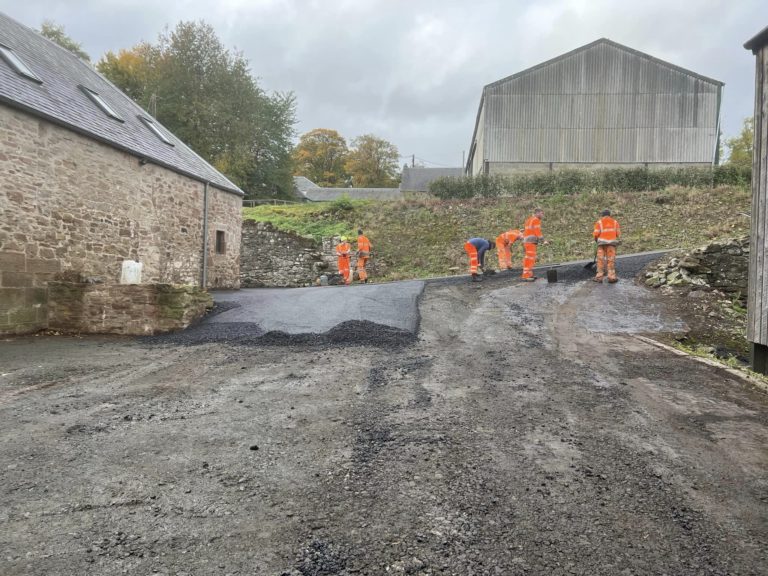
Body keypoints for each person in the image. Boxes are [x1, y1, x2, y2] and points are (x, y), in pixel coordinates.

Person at [592, 209, 621, 283]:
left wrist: (596, 240)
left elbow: (595, 234)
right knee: (611, 260)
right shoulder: (615, 222)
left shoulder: (599, 222)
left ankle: (599, 277)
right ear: (609, 215)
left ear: (602, 215)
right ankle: (611, 277)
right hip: (611, 244)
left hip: (601, 244)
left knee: (600, 260)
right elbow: (618, 234)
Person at [521, 208, 549, 281]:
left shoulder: (529, 219)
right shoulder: (536, 220)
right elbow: (537, 231)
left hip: (527, 241)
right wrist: (543, 241)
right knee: (530, 258)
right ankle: (526, 276)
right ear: (537, 213)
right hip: (530, 241)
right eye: (542, 213)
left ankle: (529, 275)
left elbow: (526, 231)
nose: (543, 215)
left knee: (529, 258)